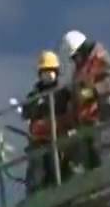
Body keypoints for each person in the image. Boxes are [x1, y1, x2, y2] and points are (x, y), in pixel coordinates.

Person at [61, 29, 110, 171]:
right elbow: (77, 96)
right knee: (86, 156)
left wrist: (93, 91)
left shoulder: (100, 58)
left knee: (103, 148)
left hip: (104, 113)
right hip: (86, 120)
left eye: (75, 56)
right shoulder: (79, 71)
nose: (74, 60)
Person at [19, 50, 72, 196]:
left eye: (50, 71)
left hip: (58, 138)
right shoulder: (34, 96)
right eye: (44, 71)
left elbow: (70, 109)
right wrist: (38, 106)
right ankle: (34, 197)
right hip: (39, 141)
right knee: (36, 174)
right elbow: (26, 113)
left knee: (59, 171)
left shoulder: (62, 92)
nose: (48, 75)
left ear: (56, 72)